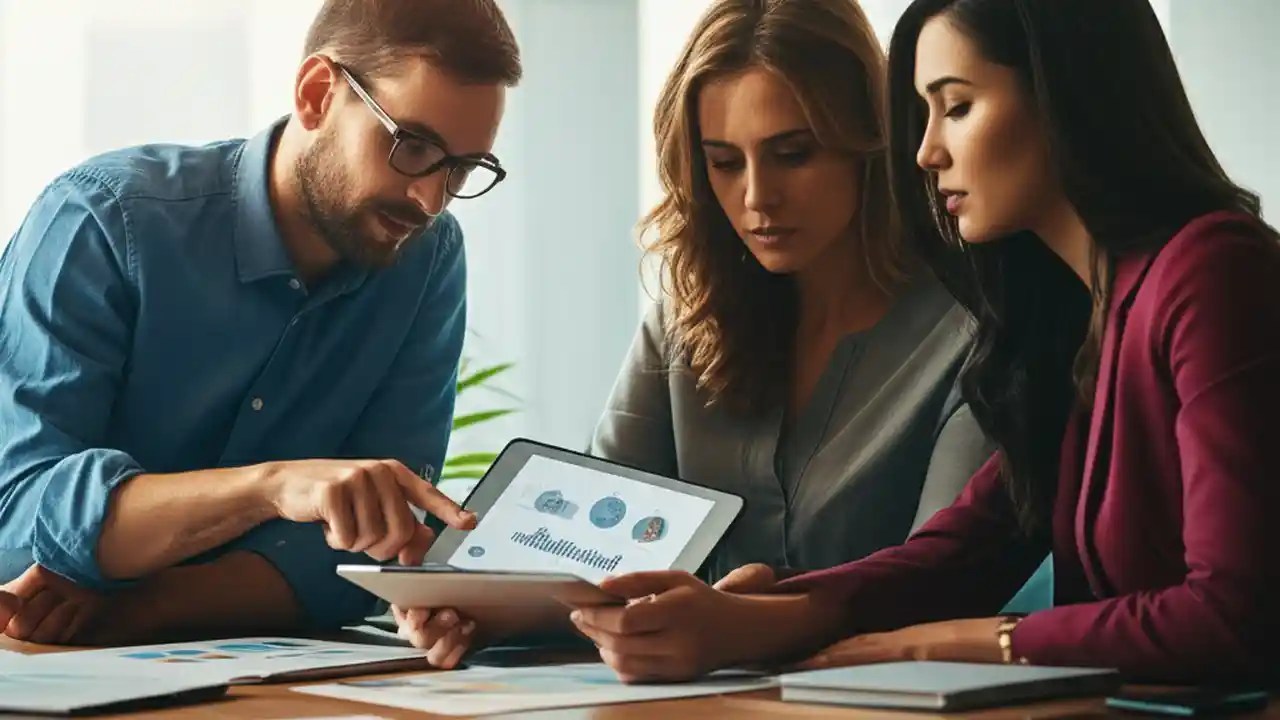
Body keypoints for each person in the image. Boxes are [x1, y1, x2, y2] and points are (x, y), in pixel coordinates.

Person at [568, 0, 1280, 684]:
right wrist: (764, 614)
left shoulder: (1211, 269)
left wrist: (942, 644)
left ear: (1066, 93)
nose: (925, 151)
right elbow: (965, 552)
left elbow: (1234, 613)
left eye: (957, 106)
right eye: (924, 112)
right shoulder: (1077, 311)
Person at [396, 0, 1032, 668]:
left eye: (793, 154)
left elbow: (941, 584)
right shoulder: (687, 315)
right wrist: (486, 611)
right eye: (725, 162)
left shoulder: (980, 326)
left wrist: (749, 621)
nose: (757, 197)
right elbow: (596, 556)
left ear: (871, 144)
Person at [0, 0, 521, 646]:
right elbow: (18, 516)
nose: (431, 200)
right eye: (412, 146)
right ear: (317, 94)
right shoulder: (105, 219)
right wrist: (271, 489)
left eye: (463, 169)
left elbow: (381, 542)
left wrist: (141, 605)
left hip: (249, 672)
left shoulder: (427, 258)